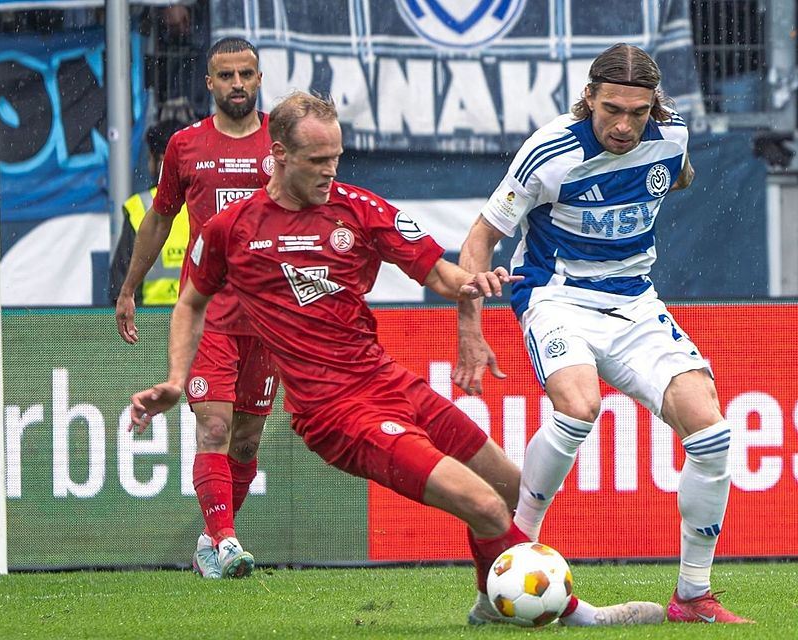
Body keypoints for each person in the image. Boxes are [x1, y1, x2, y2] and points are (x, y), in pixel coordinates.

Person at [128, 91, 664, 627]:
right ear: (280, 154)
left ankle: (489, 604)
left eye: (336, 157)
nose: (329, 170)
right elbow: (191, 301)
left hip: (388, 382)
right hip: (334, 414)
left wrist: (470, 282)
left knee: (510, 486)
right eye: (317, 160)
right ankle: (573, 614)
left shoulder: (360, 208)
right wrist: (178, 378)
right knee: (481, 504)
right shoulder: (233, 228)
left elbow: (437, 272)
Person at [455, 43, 753, 624]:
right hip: (557, 297)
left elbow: (677, 174)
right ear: (588, 96)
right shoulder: (549, 151)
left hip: (636, 304)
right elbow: (479, 239)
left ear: (654, 107)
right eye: (610, 108)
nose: (622, 124)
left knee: (713, 435)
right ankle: (516, 545)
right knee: (578, 408)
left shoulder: (673, 140)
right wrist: (471, 324)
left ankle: (692, 597)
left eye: (637, 113)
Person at [116, 37, 278, 580]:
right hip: (207, 310)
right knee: (213, 429)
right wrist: (130, 287)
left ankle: (210, 540)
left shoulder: (284, 145)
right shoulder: (187, 146)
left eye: (247, 74)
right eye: (226, 75)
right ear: (208, 83)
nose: (237, 84)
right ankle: (228, 541)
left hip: (269, 316)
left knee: (248, 438)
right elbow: (159, 220)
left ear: (259, 78)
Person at [109, 121, 191, 306]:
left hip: (148, 322)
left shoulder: (140, 206)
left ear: (162, 159)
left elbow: (120, 284)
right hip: (199, 321)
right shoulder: (207, 202)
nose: (148, 164)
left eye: (149, 158)